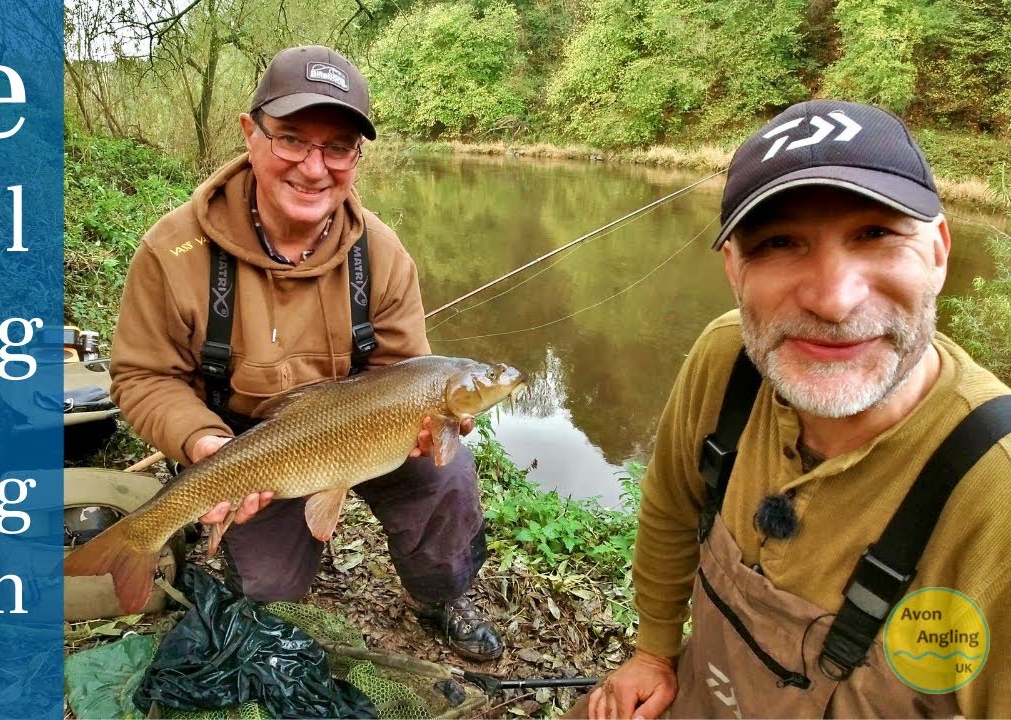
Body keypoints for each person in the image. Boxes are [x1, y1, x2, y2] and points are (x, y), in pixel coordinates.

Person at [570, 99, 1011, 719]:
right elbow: (672, 507)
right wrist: (654, 653)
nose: (833, 300)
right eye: (780, 242)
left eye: (876, 233)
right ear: (733, 269)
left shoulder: (997, 496)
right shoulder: (728, 362)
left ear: (938, 251)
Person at [109, 45, 503, 662]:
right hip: (241, 444)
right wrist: (201, 443)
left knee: (448, 474)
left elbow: (404, 375)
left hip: (365, 426)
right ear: (251, 132)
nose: (314, 168)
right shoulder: (173, 251)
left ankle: (440, 595)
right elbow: (143, 376)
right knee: (268, 590)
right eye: (291, 139)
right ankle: (149, 539)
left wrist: (432, 430)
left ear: (356, 156)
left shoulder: (383, 253)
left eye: (338, 146)